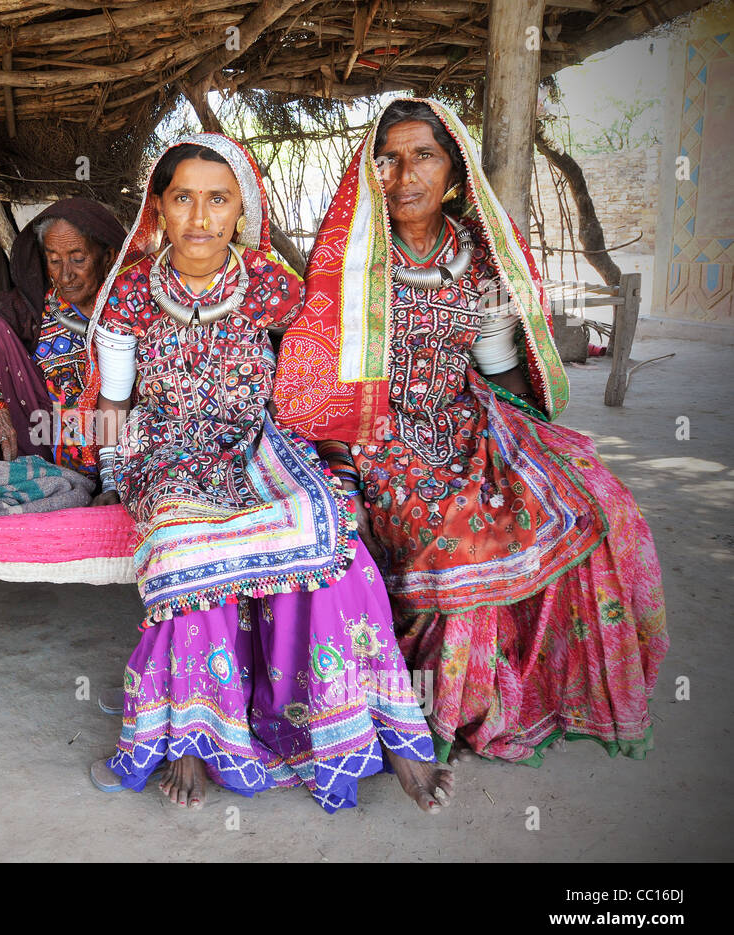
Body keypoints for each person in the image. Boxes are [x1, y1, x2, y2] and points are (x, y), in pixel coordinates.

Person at [274, 98, 668, 765]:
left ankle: (546, 686)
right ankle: (443, 706)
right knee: (463, 534)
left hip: (465, 418)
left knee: (599, 503)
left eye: (423, 155)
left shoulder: (475, 260)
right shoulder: (347, 259)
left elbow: (497, 364)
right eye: (387, 158)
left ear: (453, 169)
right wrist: (336, 466)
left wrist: (541, 443)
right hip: (375, 438)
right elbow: (317, 387)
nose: (403, 176)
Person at [83, 133, 453, 813]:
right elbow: (113, 401)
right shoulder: (130, 293)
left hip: (258, 445)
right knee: (185, 548)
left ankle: (384, 727)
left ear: (239, 208)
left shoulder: (273, 286)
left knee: (331, 528)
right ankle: (194, 737)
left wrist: (333, 465)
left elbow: (315, 381)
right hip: (165, 452)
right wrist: (113, 474)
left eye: (217, 199)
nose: (200, 217)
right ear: (158, 208)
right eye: (183, 199)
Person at [0, 199, 125, 480]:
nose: (65, 274)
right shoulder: (32, 307)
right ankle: (6, 471)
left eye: (78, 258)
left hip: (124, 441)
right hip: (46, 444)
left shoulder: (133, 306)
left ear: (108, 257)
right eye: (54, 260)